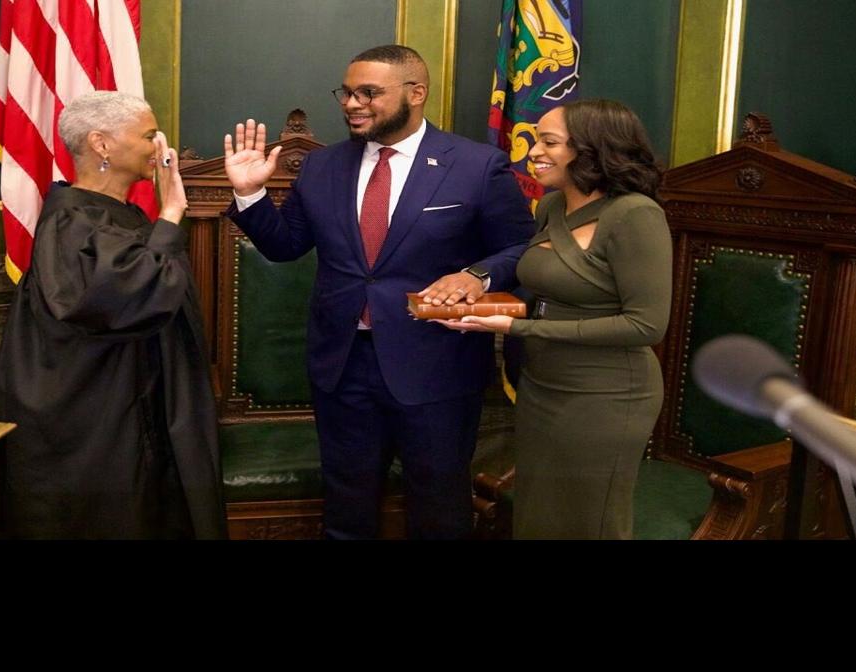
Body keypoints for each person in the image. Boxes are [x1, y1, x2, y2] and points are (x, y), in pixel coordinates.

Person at [223, 45, 535, 539]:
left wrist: (477, 275)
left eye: (368, 93)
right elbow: (284, 247)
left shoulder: (476, 165)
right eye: (346, 93)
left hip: (437, 365)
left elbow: (523, 247)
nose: (351, 103)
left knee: (439, 507)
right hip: (343, 365)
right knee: (346, 507)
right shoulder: (323, 168)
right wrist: (249, 193)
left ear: (416, 93)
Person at [0, 91, 226, 539]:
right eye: (148, 134)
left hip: (131, 397)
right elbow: (127, 297)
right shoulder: (71, 221)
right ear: (102, 144)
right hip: (89, 411)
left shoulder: (121, 214)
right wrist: (173, 211)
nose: (159, 145)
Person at [437, 99, 672, 539]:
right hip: (543, 384)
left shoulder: (636, 215)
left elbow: (646, 325)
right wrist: (483, 307)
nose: (532, 152)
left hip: (604, 396)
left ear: (592, 150)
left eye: (548, 142)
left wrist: (515, 327)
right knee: (538, 517)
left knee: (588, 522)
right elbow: (552, 296)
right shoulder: (549, 208)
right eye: (535, 140)